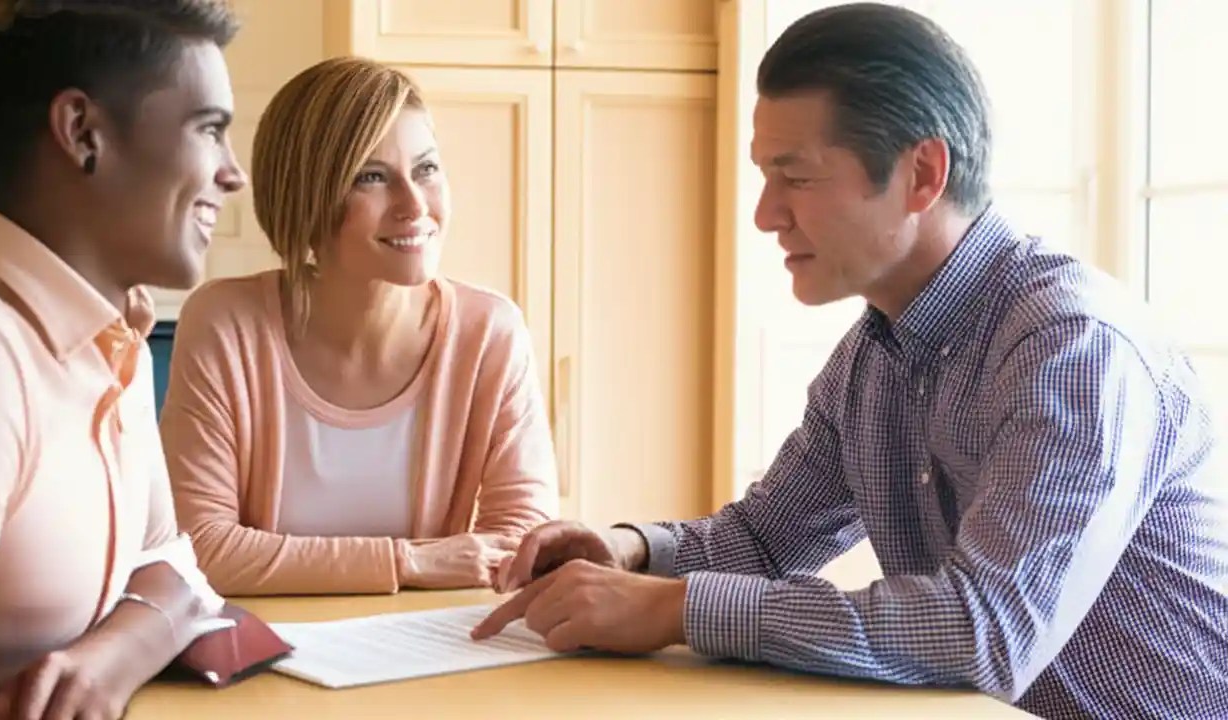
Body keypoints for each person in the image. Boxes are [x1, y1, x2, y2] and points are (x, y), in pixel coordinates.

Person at [472, 4, 1228, 718]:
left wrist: (673, 608)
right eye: (765, 175)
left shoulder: (1072, 349)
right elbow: (767, 540)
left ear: (923, 176)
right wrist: (631, 550)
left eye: (795, 178)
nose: (766, 214)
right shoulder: (872, 355)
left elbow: (984, 630)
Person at [159, 56, 559, 597]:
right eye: (372, 177)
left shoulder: (490, 333)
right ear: (307, 194)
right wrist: (407, 562)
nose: (415, 205)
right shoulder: (226, 324)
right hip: (266, 658)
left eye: (427, 169)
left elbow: (523, 547)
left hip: (422, 651)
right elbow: (200, 548)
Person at [0, 0, 248, 718]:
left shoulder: (115, 339)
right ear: (83, 132)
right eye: (209, 130)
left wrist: (109, 662)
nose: (233, 174)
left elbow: (174, 570)